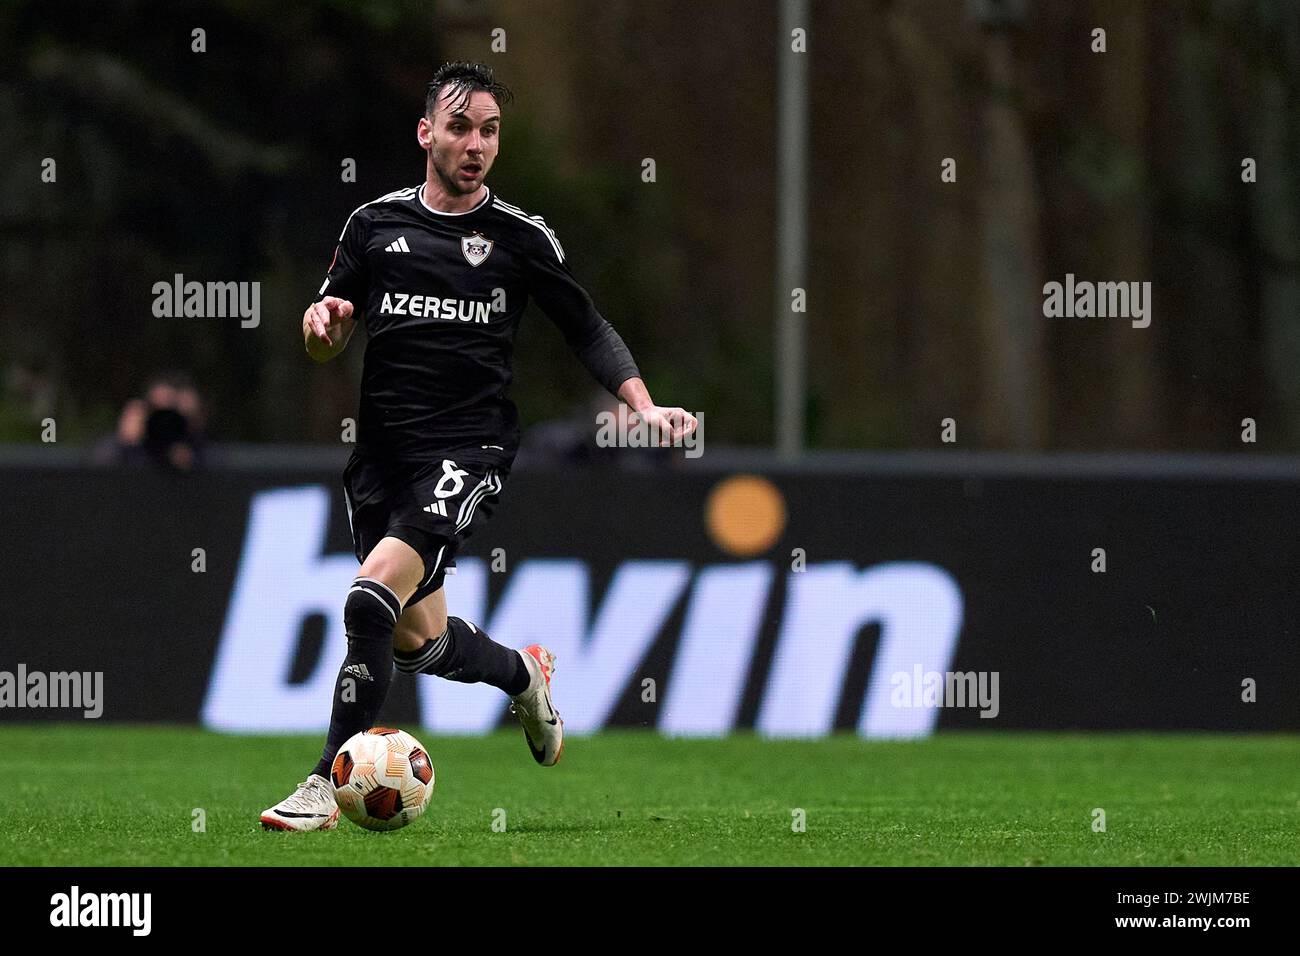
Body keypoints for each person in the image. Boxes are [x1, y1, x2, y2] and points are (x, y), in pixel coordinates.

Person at [261, 61, 697, 830]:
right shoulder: (373, 226)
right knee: (417, 645)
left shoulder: (521, 239)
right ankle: (524, 675)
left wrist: (643, 402)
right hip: (381, 459)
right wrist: (320, 328)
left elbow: (586, 327)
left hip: (468, 449)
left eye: (489, 130)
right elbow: (325, 333)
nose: (475, 144)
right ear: (426, 131)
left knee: (368, 594)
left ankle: (324, 785)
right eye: (460, 127)